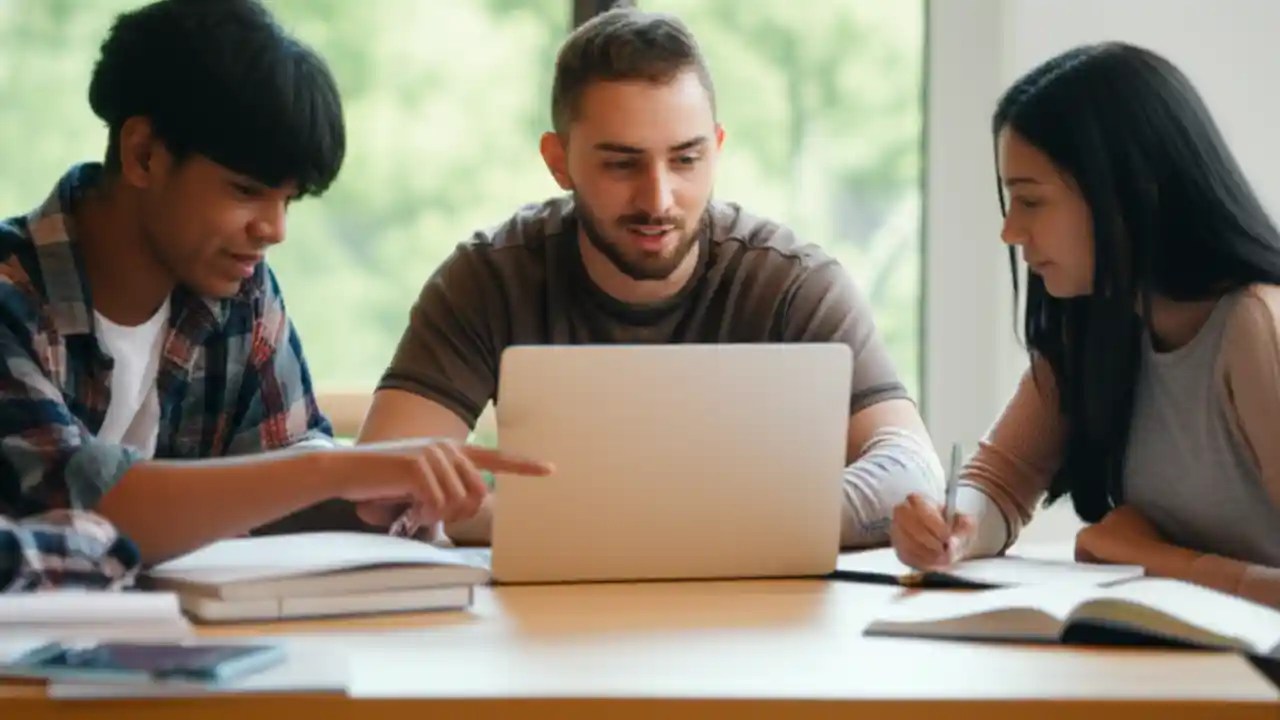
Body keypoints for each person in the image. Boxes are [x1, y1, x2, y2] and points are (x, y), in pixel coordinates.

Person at [356, 8, 942, 548]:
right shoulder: (490, 278)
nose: (658, 199)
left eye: (686, 160)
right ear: (558, 161)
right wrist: (677, 524)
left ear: (716, 149)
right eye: (621, 163)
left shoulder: (790, 282)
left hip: (755, 628)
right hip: (557, 633)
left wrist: (675, 524)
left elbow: (912, 469)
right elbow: (381, 489)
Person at [0, 0, 549, 566]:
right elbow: (86, 508)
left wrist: (368, 501)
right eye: (245, 191)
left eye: (288, 200)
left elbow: (282, 466)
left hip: (183, 643)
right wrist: (335, 470)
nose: (275, 229)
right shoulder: (11, 296)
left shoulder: (237, 286)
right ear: (143, 156)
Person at [889, 42, 1280, 607]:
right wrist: (950, 530)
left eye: (1031, 201)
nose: (1010, 232)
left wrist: (1157, 558)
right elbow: (1001, 484)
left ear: (1124, 194)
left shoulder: (1255, 327)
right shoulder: (1098, 323)